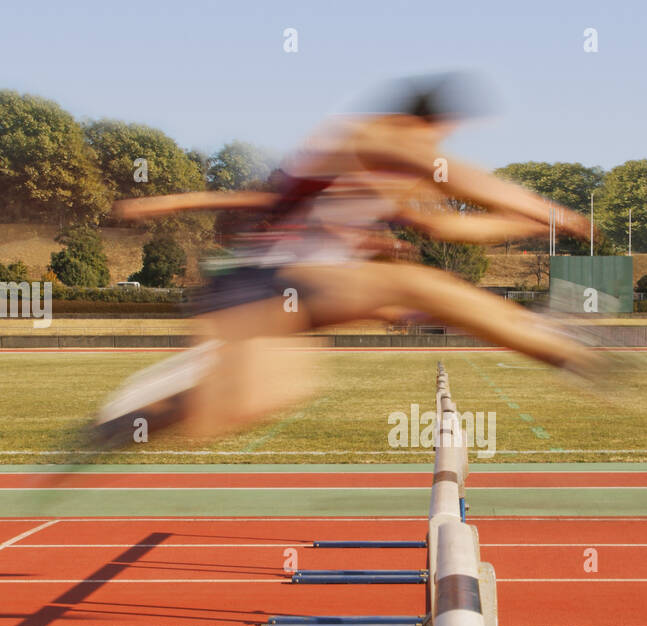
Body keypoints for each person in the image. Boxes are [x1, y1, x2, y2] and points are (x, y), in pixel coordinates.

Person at [88, 74, 597, 448]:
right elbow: (459, 179)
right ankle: (561, 348)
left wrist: (534, 225)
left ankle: (129, 415)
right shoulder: (368, 135)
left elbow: (452, 227)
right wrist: (548, 210)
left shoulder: (393, 175)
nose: (436, 147)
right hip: (264, 278)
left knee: (252, 403)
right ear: (420, 124)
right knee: (418, 288)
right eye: (437, 136)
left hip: (290, 290)